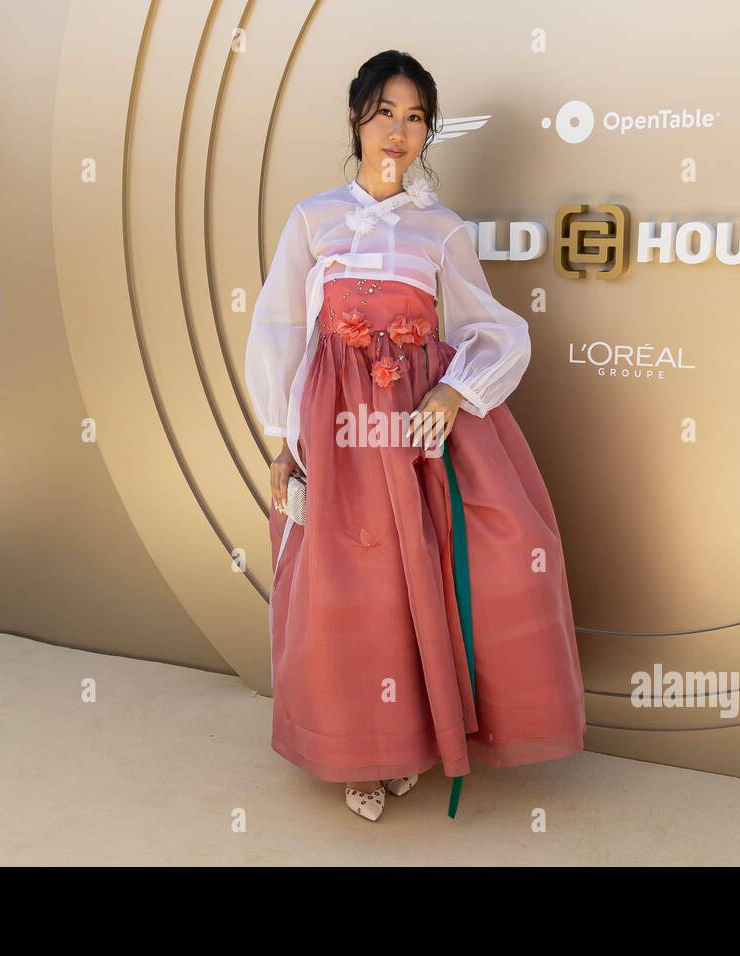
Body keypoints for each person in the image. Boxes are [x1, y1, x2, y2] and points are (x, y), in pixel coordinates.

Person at [244, 50, 586, 822]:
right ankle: (357, 751)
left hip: (417, 437)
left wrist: (453, 390)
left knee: (416, 582)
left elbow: (492, 329)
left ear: (429, 129)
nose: (398, 132)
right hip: (337, 436)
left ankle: (409, 741)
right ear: (357, 118)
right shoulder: (314, 219)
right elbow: (282, 330)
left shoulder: (442, 230)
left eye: (415, 117)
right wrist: (279, 440)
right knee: (347, 590)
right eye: (385, 113)